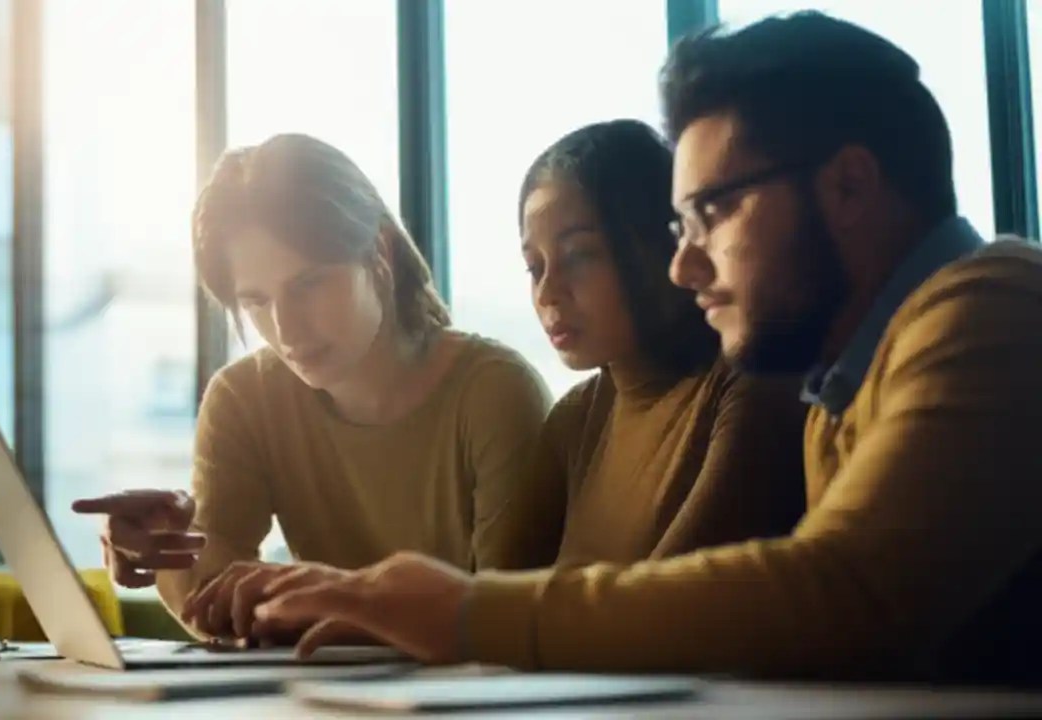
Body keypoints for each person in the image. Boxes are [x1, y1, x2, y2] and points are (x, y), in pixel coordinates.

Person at [253, 13, 1042, 686]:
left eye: (713, 213)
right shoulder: (842, 383)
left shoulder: (992, 307)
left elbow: (846, 592)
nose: (684, 266)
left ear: (848, 187)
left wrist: (461, 612)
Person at [73, 133, 552, 640]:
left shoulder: (495, 394)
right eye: (256, 301)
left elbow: (503, 620)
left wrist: (322, 602)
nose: (287, 329)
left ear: (380, 252)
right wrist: (172, 547)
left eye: (308, 285)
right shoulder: (245, 399)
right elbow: (218, 611)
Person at [481, 119, 804, 572]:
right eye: (535, 267)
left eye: (577, 255)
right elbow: (486, 603)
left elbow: (670, 607)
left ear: (657, 245)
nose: (548, 292)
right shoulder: (575, 420)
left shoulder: (746, 387)